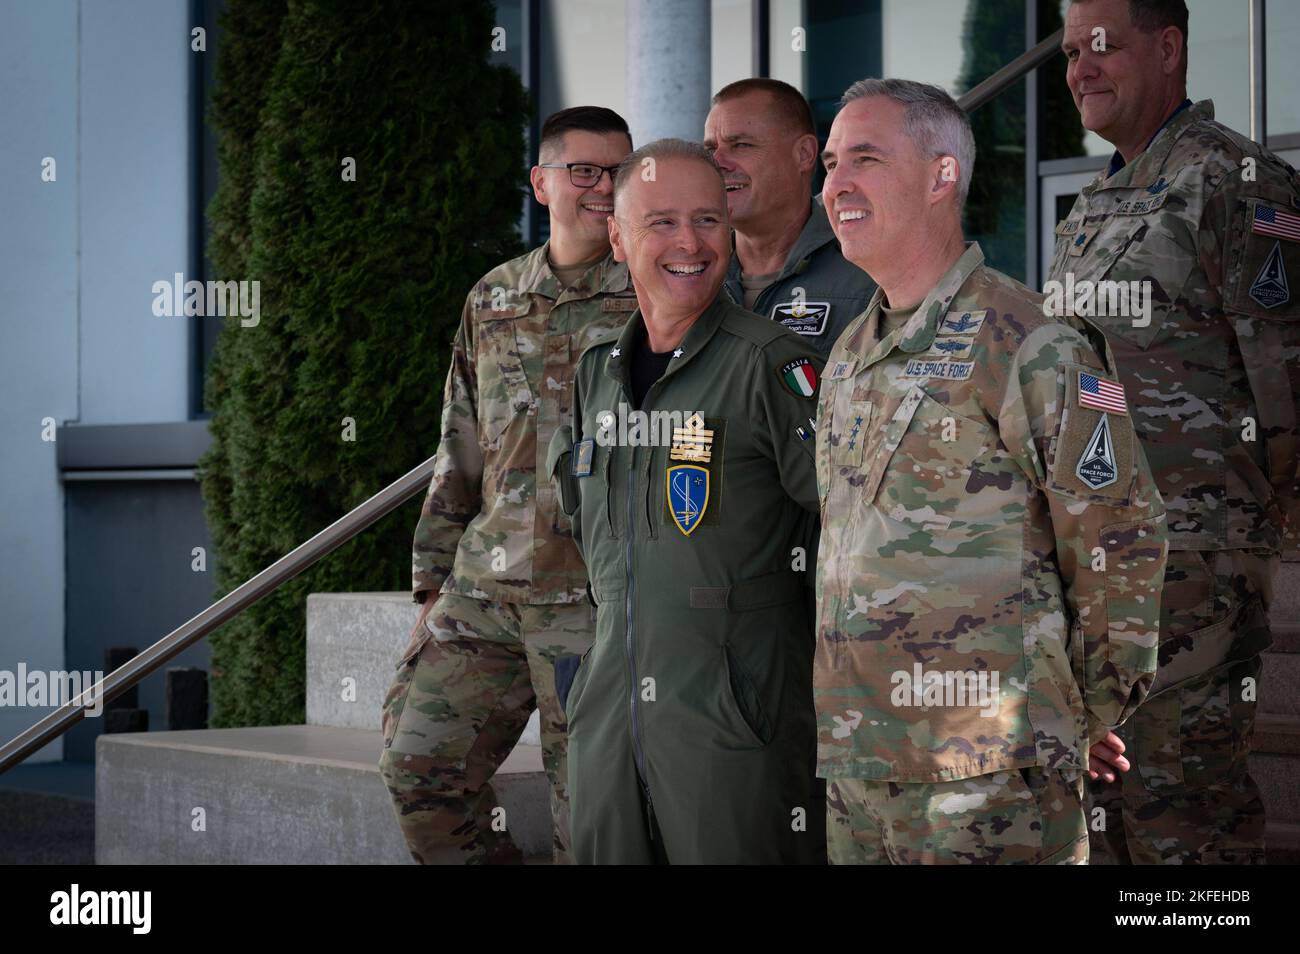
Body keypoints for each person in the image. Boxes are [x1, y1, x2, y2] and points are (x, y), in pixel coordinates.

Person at [815, 78, 1168, 864]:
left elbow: (1123, 534)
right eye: (832, 163)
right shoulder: (847, 355)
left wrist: (1079, 713)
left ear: (943, 176)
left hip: (987, 776)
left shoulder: (1031, 341)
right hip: (858, 769)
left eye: (864, 160)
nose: (836, 184)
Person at [1048, 0, 1300, 865]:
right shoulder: (1092, 206)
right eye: (1072, 50)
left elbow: (1285, 378)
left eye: (1102, 47)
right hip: (1097, 563)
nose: (1081, 67)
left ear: (1169, 48)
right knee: (1108, 818)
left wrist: (1262, 539)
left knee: (1186, 818)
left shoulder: (1238, 183)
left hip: (1197, 566)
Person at [547, 138, 825, 863]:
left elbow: (849, 537)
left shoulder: (773, 366)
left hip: (735, 724)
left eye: (707, 219)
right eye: (661, 221)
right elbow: (590, 532)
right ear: (616, 234)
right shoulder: (595, 377)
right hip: (611, 718)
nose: (688, 243)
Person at [378, 106, 636, 864]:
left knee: (589, 820)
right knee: (419, 769)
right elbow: (458, 444)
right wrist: (432, 583)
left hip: (595, 603)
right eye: (584, 170)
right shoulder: (493, 296)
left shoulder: (655, 295)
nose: (603, 186)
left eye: (619, 171)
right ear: (542, 181)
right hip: (484, 593)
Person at [705, 79, 876, 356]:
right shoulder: (691, 268)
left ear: (804, 154)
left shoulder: (868, 265)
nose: (717, 161)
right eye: (709, 149)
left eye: (741, 145)